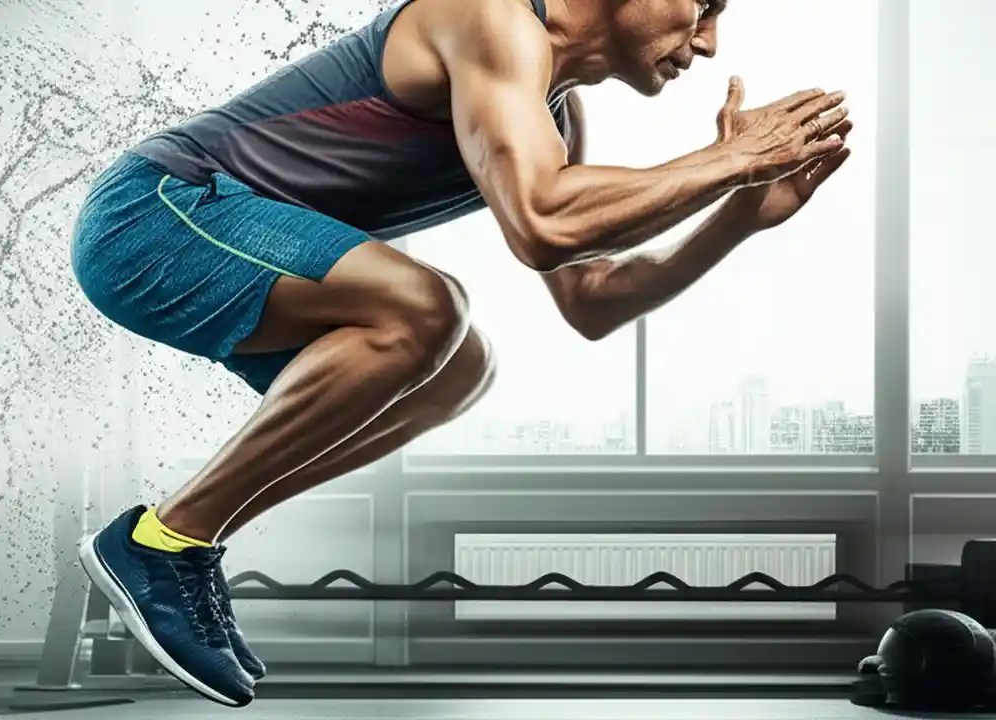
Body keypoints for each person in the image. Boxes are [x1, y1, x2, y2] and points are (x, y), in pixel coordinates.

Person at [69, 0, 851, 707]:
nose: (709, 42)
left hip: (231, 238)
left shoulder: (552, 109)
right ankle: (164, 540)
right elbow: (543, 223)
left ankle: (181, 543)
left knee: (459, 372)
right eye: (704, 5)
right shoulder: (489, 16)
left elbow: (594, 298)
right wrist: (729, 161)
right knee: (426, 309)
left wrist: (737, 216)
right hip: (158, 213)